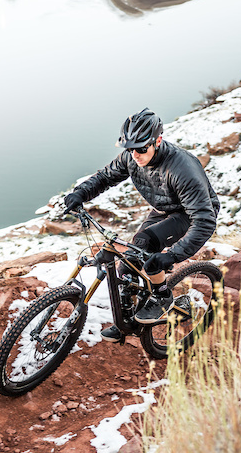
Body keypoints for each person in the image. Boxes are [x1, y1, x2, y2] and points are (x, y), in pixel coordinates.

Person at [63, 107, 220, 343]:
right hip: (163, 209)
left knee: (147, 246)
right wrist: (80, 193)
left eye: (141, 148)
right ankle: (127, 322)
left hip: (191, 214)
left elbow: (205, 220)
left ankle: (163, 297)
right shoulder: (131, 156)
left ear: (157, 140)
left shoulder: (182, 168)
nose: (135, 154)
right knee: (128, 262)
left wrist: (173, 256)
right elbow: (106, 177)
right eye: (129, 148)